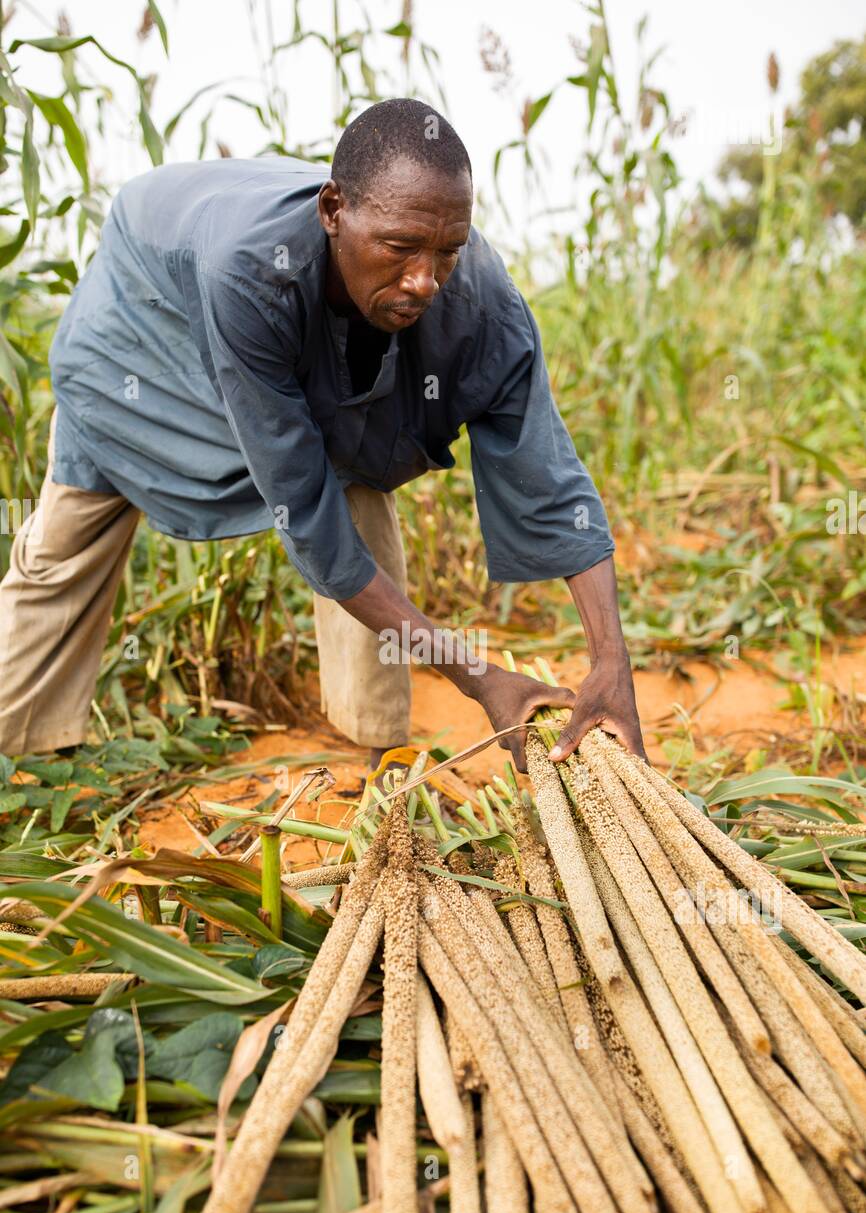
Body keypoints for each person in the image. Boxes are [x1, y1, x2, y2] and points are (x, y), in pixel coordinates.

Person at [0, 97, 645, 772]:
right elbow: (304, 511)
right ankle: (20, 755)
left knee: (356, 468)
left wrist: (610, 659)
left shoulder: (479, 300)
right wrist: (479, 677)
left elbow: (549, 476)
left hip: (273, 329)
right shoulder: (250, 272)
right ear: (334, 211)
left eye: (447, 250)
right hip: (140, 326)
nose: (425, 279)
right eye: (399, 248)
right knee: (73, 525)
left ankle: (378, 756)